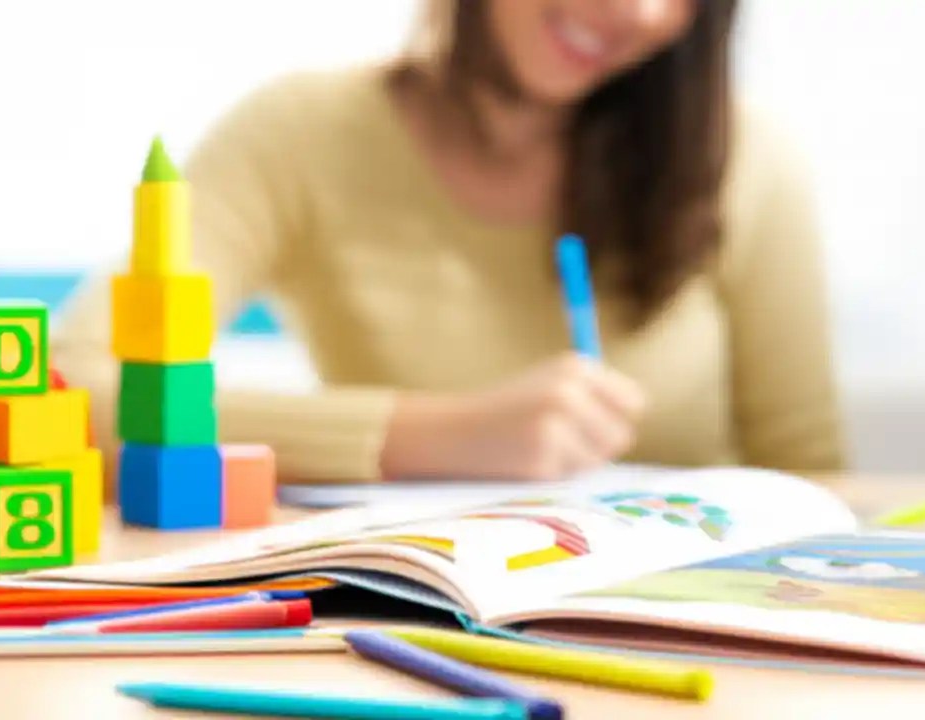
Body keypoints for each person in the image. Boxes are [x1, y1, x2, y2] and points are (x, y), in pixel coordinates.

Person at [53, 0, 847, 488]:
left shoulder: (745, 156)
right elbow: (68, 396)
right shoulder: (299, 134)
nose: (638, 8)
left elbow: (814, 476)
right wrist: (434, 435)